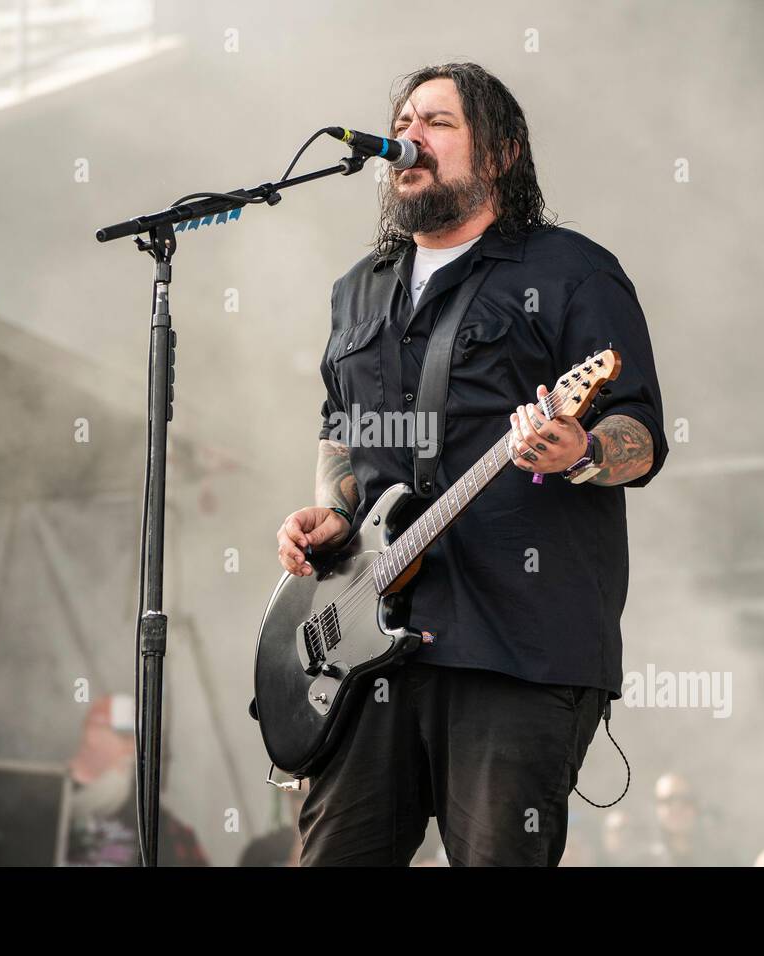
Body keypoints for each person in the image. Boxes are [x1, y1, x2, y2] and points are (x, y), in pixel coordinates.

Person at [275, 61, 668, 866]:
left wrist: (581, 451)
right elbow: (339, 433)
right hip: (362, 650)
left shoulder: (569, 271)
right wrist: (335, 517)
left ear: (501, 153)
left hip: (512, 646)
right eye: (405, 121)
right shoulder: (359, 290)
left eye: (439, 123)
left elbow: (641, 432)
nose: (411, 137)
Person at [65, 694, 207, 867]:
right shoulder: (47, 798)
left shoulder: (163, 832)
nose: (90, 738)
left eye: (100, 727)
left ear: (131, 746)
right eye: (90, 725)